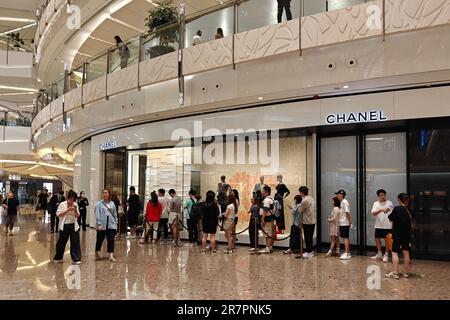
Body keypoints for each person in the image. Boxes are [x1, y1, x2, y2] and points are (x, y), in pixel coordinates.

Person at [386, 193, 414, 279]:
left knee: (394, 253)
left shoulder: (397, 208)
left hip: (397, 234)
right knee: (406, 252)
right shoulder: (410, 210)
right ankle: (405, 272)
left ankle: (395, 273)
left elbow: (390, 218)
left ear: (399, 199)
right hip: (407, 234)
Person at [52, 190, 81, 265]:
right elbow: (58, 215)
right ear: (68, 198)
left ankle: (76, 259)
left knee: (75, 242)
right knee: (61, 242)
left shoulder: (75, 204)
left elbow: (77, 216)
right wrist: (68, 210)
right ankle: (58, 257)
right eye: (70, 199)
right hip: (64, 225)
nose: (72, 201)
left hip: (74, 225)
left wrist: (75, 210)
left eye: (73, 199)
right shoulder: (62, 204)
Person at [371, 189, 394, 263]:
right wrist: (381, 209)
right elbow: (373, 213)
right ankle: (379, 254)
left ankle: (386, 254)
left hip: (387, 225)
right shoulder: (375, 203)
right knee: (377, 239)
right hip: (378, 225)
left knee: (387, 240)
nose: (383, 196)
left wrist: (381, 210)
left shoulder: (389, 202)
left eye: (384, 195)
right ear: (378, 196)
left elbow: (386, 210)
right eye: (381, 195)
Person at [95, 189, 118, 262]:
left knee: (111, 240)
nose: (104, 194)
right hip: (102, 224)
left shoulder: (112, 204)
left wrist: (116, 223)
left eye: (106, 193)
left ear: (109, 194)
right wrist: (99, 224)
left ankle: (111, 255)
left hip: (111, 224)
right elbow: (97, 214)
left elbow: (115, 214)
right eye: (103, 193)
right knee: (99, 239)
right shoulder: (99, 204)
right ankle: (97, 252)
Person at [298, 186, 316, 259]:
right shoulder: (311, 198)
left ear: (302, 192)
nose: (300, 194)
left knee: (307, 237)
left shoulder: (305, 200)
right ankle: (310, 251)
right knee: (310, 237)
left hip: (307, 221)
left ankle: (309, 252)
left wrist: (300, 221)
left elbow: (300, 210)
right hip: (313, 221)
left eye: (300, 192)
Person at [258, 186, 275, 254]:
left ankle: (267, 248)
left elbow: (265, 210)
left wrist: (262, 219)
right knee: (269, 233)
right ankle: (269, 247)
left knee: (267, 233)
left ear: (266, 192)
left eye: (263, 191)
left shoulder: (267, 200)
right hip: (270, 218)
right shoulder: (271, 199)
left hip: (267, 218)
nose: (262, 192)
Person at [201, 191, 219, 255]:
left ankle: (203, 249)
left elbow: (202, 213)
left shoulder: (203, 204)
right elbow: (218, 213)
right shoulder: (215, 204)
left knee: (204, 236)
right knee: (212, 236)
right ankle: (213, 250)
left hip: (205, 221)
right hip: (213, 221)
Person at [336, 189, 352, 260]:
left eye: (338, 194)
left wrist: (350, 222)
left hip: (345, 223)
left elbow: (347, 213)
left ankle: (347, 253)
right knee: (345, 238)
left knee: (345, 238)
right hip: (343, 223)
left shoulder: (344, 202)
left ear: (341, 195)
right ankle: (347, 252)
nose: (337, 196)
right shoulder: (342, 202)